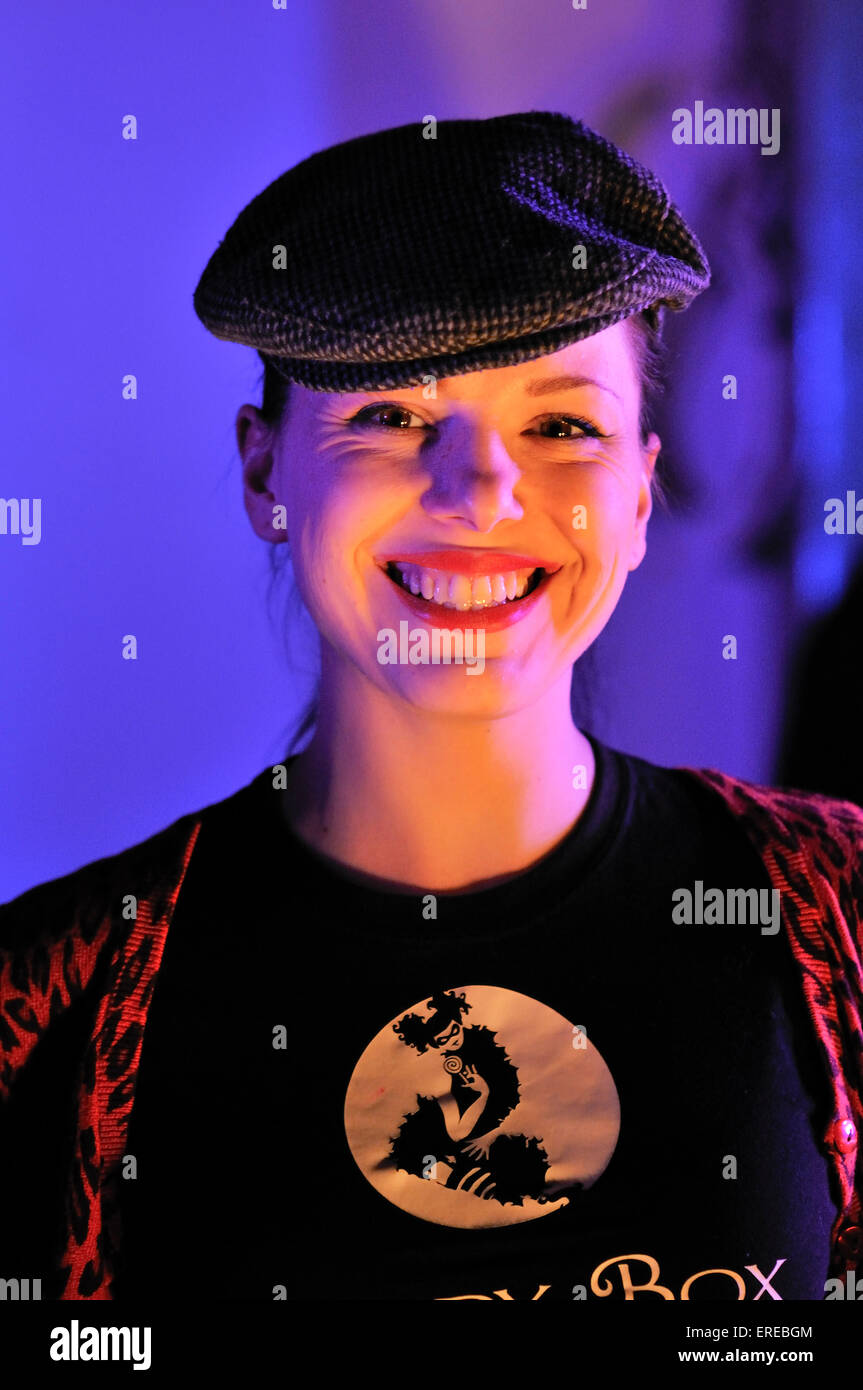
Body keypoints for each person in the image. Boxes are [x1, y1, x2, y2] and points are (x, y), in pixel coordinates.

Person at [1, 111, 861, 1304]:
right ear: (265, 476)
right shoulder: (52, 996)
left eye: (560, 424)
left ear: (638, 497)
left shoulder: (842, 915)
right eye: (391, 416)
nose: (477, 493)